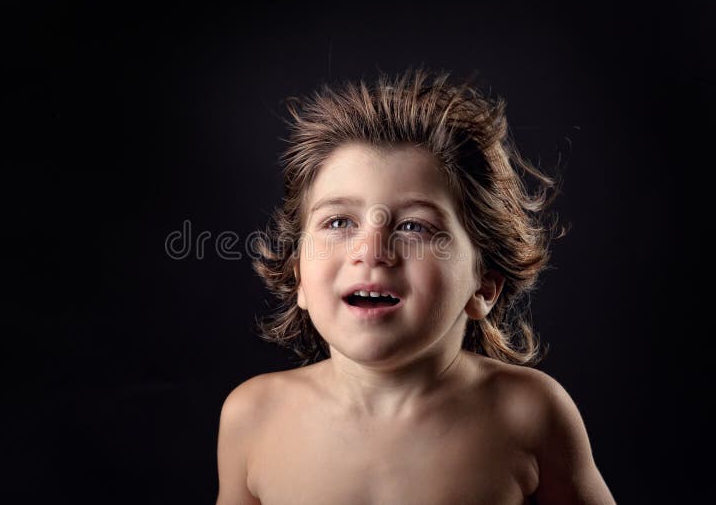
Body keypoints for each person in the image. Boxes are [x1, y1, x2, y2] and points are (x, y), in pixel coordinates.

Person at [216, 68, 616, 504]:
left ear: (483, 286)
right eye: (338, 222)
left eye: (414, 226)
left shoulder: (527, 413)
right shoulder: (254, 417)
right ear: (299, 280)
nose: (371, 251)